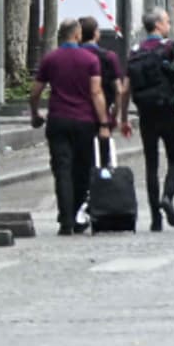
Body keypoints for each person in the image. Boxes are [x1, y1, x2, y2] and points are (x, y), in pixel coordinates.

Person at [33, 18, 118, 235]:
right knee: (82, 170)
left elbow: (36, 91)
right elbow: (96, 92)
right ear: (78, 35)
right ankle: (78, 214)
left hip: (58, 120)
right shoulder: (90, 60)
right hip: (84, 121)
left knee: (62, 170)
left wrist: (35, 113)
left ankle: (66, 219)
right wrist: (104, 122)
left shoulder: (50, 59)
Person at [120, 11, 174, 232]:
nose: (169, 24)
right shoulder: (173, 48)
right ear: (157, 25)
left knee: (151, 164)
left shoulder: (135, 51)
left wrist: (123, 118)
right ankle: (168, 196)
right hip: (170, 111)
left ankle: (155, 219)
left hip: (146, 113)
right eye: (167, 21)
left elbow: (125, 89)